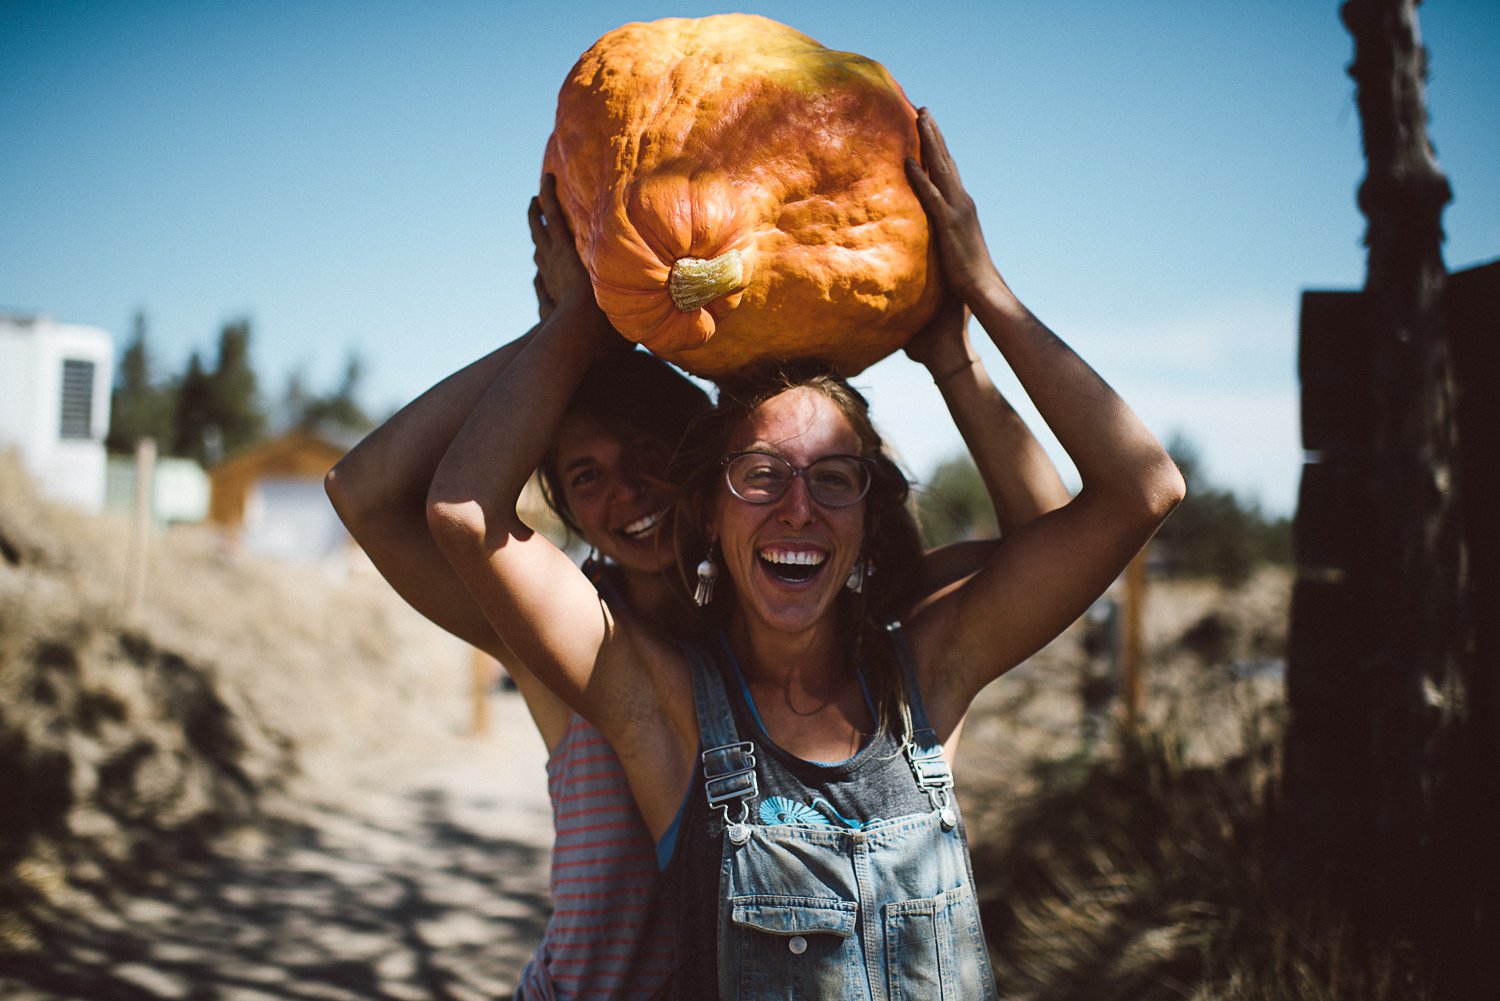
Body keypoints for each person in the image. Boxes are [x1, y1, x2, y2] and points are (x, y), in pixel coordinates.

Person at [424, 107, 1184, 1000]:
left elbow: (1143, 490)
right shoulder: (661, 704)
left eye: (833, 477)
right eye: (760, 474)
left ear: (866, 512)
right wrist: (587, 319)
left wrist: (975, 314)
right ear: (707, 514)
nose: (797, 509)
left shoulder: (928, 676)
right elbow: (466, 513)